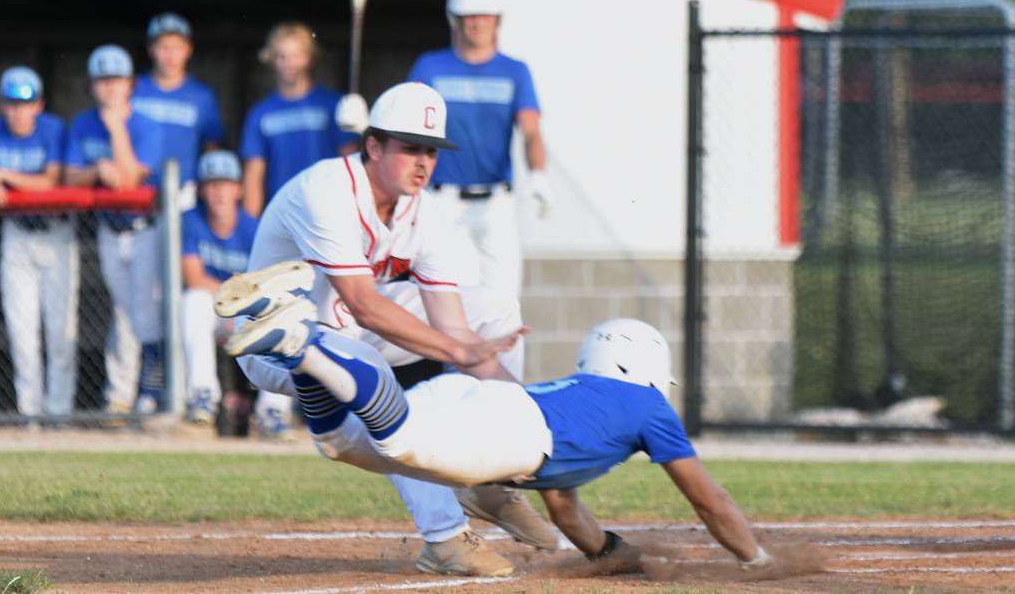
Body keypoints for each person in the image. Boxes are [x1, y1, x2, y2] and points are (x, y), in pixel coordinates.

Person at [221, 82, 557, 576]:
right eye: (409, 148)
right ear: (374, 146)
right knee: (375, 373)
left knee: (495, 311)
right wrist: (457, 352)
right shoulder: (327, 189)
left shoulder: (427, 212)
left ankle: (490, 481)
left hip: (346, 323)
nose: (423, 162)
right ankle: (445, 538)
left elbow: (455, 329)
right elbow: (364, 304)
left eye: (431, 151)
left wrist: (529, 423)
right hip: (277, 337)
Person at [224, 285, 776, 575]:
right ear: (648, 368)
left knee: (344, 442)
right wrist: (757, 559)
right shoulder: (649, 406)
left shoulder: (582, 399)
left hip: (490, 403)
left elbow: (565, 510)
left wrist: (613, 554)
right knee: (400, 438)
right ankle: (309, 337)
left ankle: (300, 351)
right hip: (508, 426)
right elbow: (711, 502)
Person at [407, 0, 549, 298]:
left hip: (496, 204)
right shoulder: (430, 67)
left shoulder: (515, 70)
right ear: (454, 19)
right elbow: (407, 125)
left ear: (497, 19)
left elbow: (531, 132)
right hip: (442, 202)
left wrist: (539, 174)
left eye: (484, 15)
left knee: (504, 305)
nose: (477, 23)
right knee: (449, 300)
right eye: (468, 16)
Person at [0, 66, 77, 417]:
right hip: (16, 235)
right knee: (21, 331)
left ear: (39, 105)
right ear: (1, 105)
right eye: (12, 103)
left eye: (25, 103)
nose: (18, 110)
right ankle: (30, 414)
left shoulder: (53, 128)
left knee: (60, 332)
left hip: (56, 234)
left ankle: (59, 414)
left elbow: (51, 182)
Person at [64, 44, 166, 414]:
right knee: (123, 312)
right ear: (93, 86)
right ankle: (121, 395)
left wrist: (116, 127)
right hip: (109, 230)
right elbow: (70, 178)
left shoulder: (146, 125)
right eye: (103, 81)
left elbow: (126, 180)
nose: (109, 88)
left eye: (116, 80)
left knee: (146, 311)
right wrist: (96, 169)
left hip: (146, 230)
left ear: (129, 85)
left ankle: (152, 393)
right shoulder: (82, 123)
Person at [239, 21, 358, 217]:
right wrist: (251, 229)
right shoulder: (260, 113)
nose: (289, 63)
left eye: (296, 55)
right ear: (271, 59)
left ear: (310, 58)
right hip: (281, 215)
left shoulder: (334, 105)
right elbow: (253, 176)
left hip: (329, 212)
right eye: (281, 56)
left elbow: (351, 163)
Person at [180, 150, 258, 425]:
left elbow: (262, 288)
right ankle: (203, 396)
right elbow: (194, 278)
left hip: (247, 312)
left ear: (237, 189)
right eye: (212, 185)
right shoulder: (191, 219)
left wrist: (236, 316)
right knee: (193, 300)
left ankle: (274, 411)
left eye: (226, 184)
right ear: (201, 190)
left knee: (280, 314)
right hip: (215, 309)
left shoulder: (253, 227)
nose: (219, 193)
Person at [132, 12, 226, 212]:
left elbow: (211, 148)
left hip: (184, 192)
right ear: (151, 49)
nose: (170, 55)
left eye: (177, 47)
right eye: (163, 47)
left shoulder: (202, 96)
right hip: (137, 190)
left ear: (188, 50)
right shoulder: (132, 89)